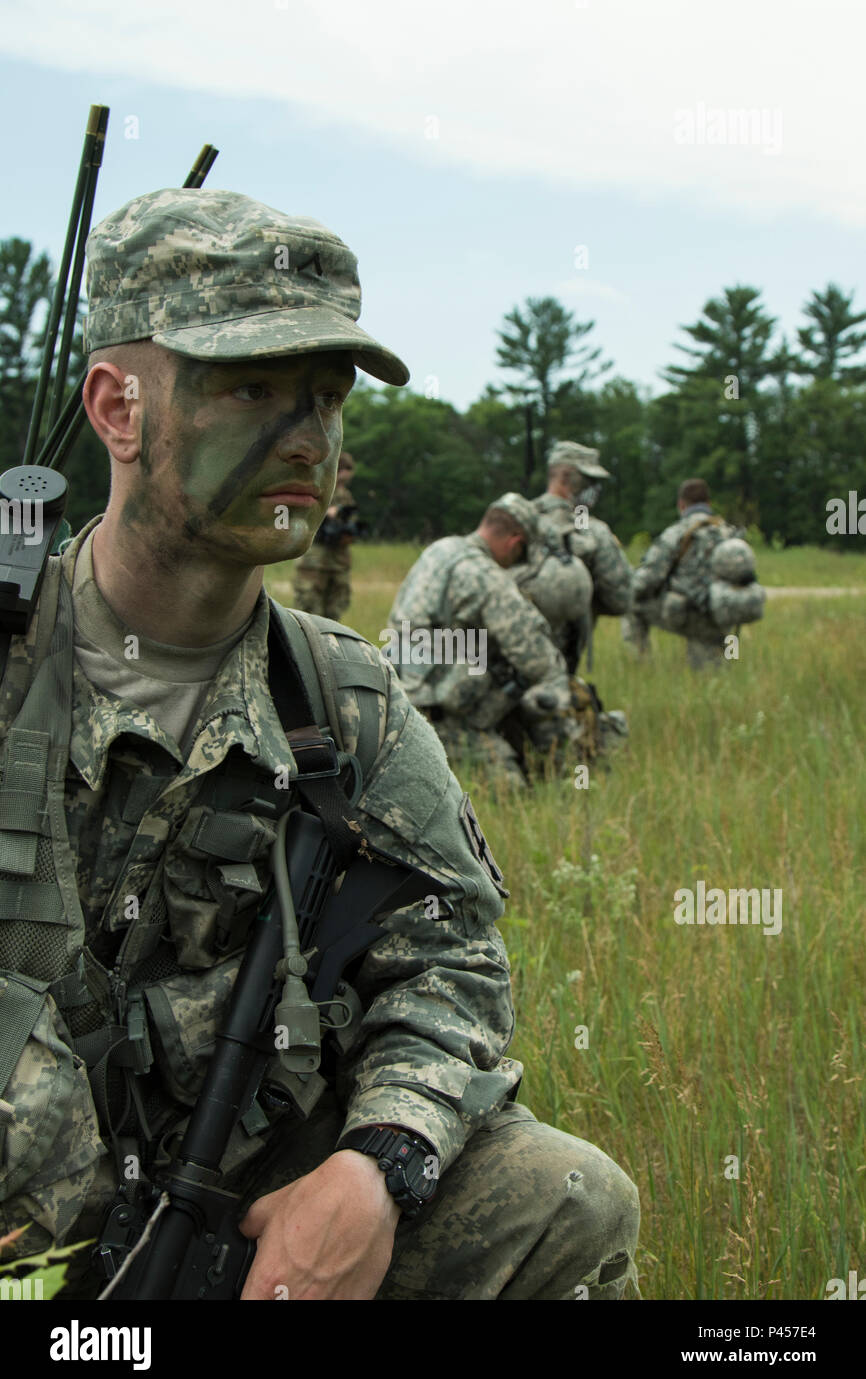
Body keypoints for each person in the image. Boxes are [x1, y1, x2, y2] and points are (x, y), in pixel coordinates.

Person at [0, 190, 639, 1301]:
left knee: (563, 1199)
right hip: (32, 1230)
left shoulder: (345, 701)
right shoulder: (16, 660)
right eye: (252, 387)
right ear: (117, 406)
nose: (308, 438)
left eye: (326, 396)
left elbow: (449, 955)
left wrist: (377, 1162)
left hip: (246, 1214)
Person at [386, 493, 597, 787]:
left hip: (396, 703)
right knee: (512, 790)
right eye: (521, 554)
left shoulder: (440, 550)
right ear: (515, 541)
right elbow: (536, 659)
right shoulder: (488, 578)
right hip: (443, 719)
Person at [623, 478, 762, 670]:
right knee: (712, 671)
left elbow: (647, 581)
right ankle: (732, 661)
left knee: (631, 604)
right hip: (722, 619)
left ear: (681, 505)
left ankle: (642, 665)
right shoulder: (728, 532)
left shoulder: (677, 533)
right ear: (709, 504)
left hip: (687, 616)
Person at [532, 441, 633, 669]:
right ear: (565, 478)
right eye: (589, 480)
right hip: (559, 658)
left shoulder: (518, 518)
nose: (594, 488)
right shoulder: (591, 530)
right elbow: (621, 600)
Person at [292, 449, 359, 619]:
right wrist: (326, 514)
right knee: (310, 609)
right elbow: (300, 516)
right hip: (315, 559)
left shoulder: (347, 496)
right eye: (345, 470)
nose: (347, 476)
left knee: (334, 609)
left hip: (338, 560)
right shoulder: (316, 488)